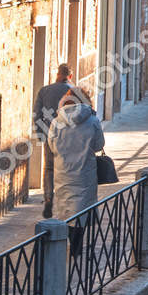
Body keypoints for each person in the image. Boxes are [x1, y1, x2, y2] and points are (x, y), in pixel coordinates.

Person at [46, 87, 105, 225]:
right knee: (83, 212)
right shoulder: (93, 121)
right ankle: (77, 237)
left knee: (65, 212)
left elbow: (52, 146)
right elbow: (99, 145)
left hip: (63, 174)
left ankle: (68, 234)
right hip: (85, 174)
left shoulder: (56, 122)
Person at [34, 63, 72, 218]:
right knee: (67, 169)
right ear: (70, 76)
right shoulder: (74, 92)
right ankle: (65, 201)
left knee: (49, 168)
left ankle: (49, 199)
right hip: (68, 138)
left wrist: (40, 135)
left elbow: (37, 114)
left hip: (49, 135)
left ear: (57, 74)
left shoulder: (44, 91)